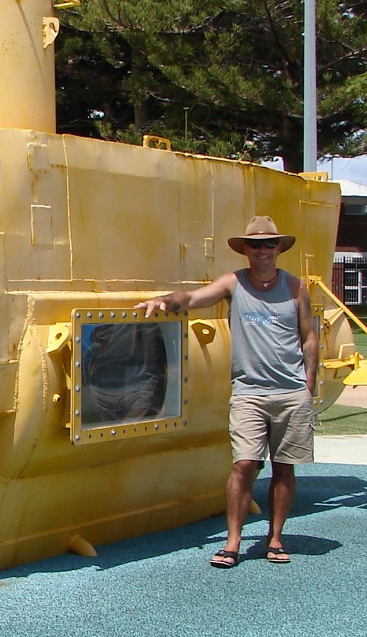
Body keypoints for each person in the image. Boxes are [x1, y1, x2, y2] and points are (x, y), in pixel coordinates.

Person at [136, 215, 319, 568]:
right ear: (246, 249)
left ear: (279, 248)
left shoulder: (296, 288)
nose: (263, 251)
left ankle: (276, 537)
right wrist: (164, 300)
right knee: (244, 464)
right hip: (249, 391)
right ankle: (232, 541)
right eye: (256, 245)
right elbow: (192, 297)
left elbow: (309, 335)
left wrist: (308, 384)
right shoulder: (234, 283)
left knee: (284, 467)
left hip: (291, 392)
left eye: (269, 244)